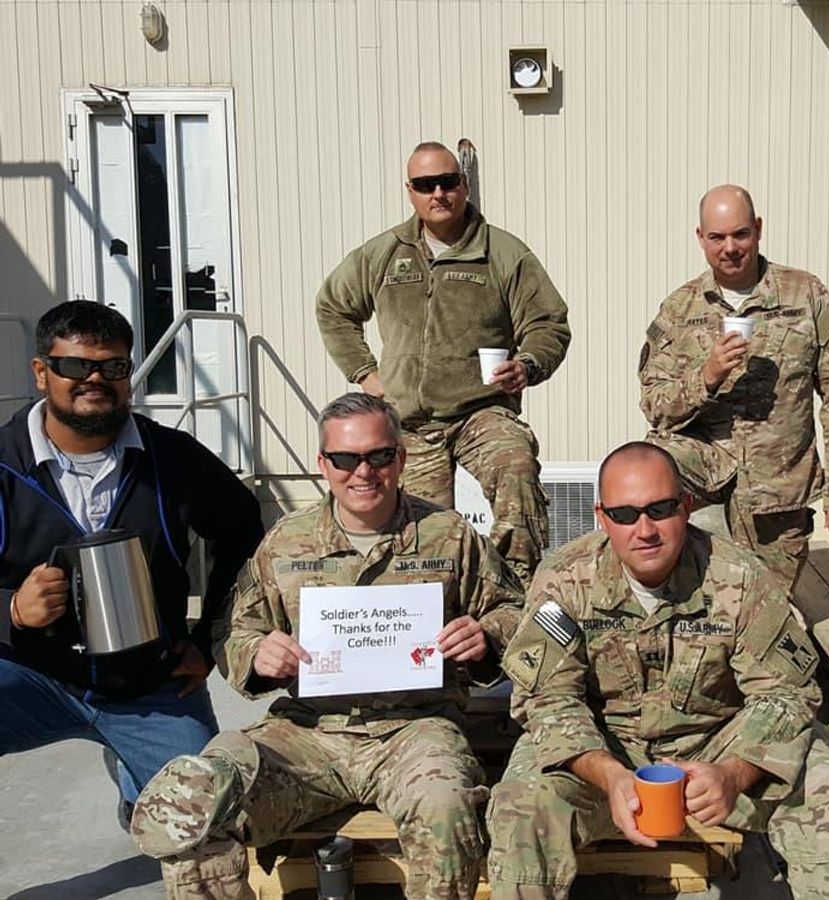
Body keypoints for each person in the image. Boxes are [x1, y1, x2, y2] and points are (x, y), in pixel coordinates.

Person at [131, 392, 526, 900]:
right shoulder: (286, 541)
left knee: (448, 807)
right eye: (346, 458)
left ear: (401, 458)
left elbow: (517, 614)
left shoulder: (447, 536)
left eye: (380, 456)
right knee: (195, 801)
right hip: (307, 735)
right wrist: (258, 654)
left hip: (414, 730)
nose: (364, 472)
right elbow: (234, 629)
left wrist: (485, 634)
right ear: (323, 464)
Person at [486, 441, 829, 899]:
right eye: (625, 514)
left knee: (822, 782)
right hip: (604, 754)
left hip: (714, 751)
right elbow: (546, 698)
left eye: (661, 509)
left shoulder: (739, 577)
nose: (644, 529)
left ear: (686, 507)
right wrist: (609, 776)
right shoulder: (565, 580)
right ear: (602, 517)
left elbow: (787, 691)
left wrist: (736, 771)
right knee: (521, 805)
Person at [0, 300, 263, 826]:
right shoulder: (4, 462)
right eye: (76, 366)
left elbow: (245, 537)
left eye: (113, 366)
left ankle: (133, 766)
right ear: (40, 372)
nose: (95, 379)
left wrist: (212, 636)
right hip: (32, 675)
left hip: (150, 684)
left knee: (209, 818)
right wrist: (10, 610)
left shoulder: (172, 456)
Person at [315, 140, 571, 585]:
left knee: (516, 467)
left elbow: (549, 323)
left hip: (482, 411)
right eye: (425, 184)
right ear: (409, 190)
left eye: (448, 182)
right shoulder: (384, 254)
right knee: (415, 530)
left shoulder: (504, 254)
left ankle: (514, 589)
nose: (438, 193)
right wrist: (364, 373)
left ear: (464, 186)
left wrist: (527, 365)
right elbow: (333, 308)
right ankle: (424, 611)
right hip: (410, 422)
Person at [639, 184, 829, 589]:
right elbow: (655, 406)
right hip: (707, 495)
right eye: (716, 237)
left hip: (777, 500)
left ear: (758, 230)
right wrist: (707, 376)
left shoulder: (805, 295)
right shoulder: (680, 309)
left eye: (740, 234)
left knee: (768, 612)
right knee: (707, 612)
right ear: (701, 238)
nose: (729, 248)